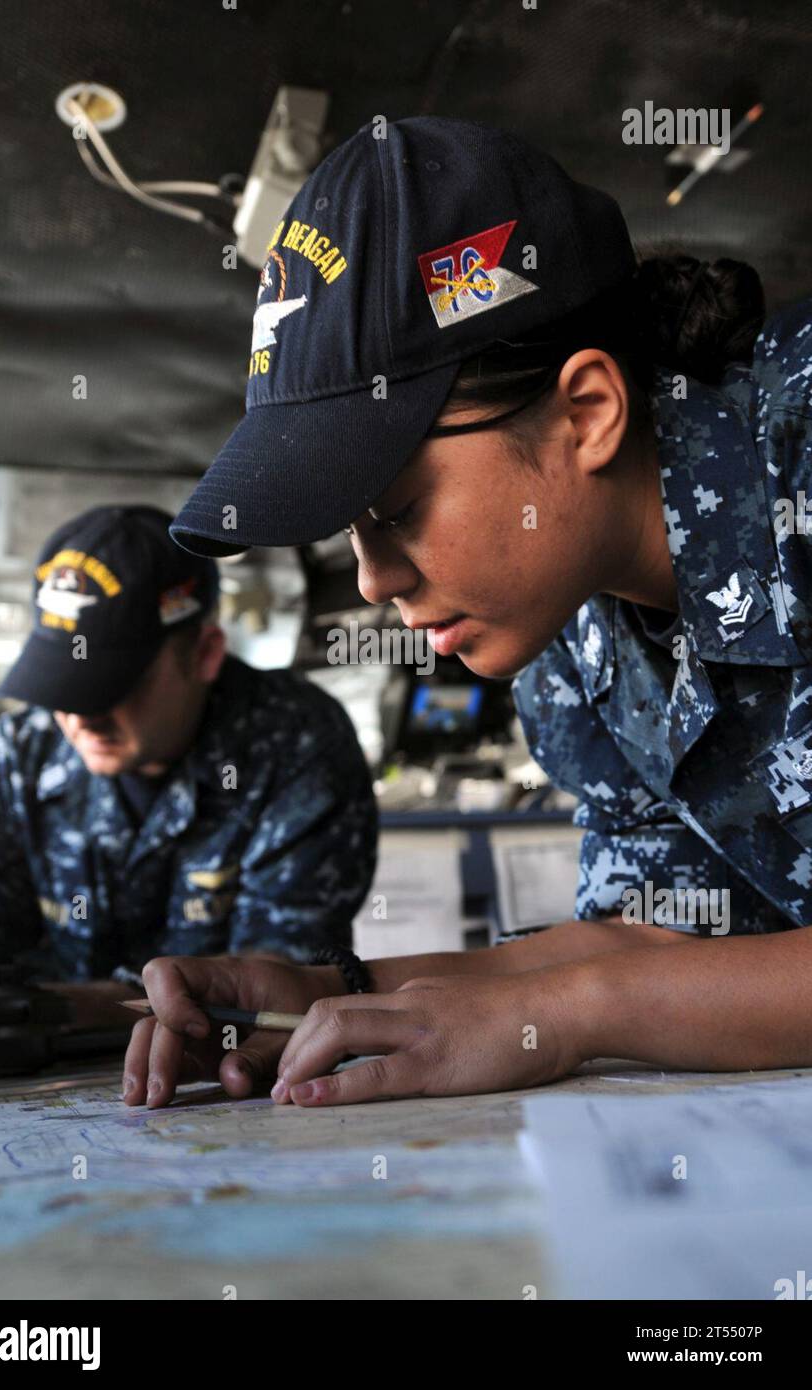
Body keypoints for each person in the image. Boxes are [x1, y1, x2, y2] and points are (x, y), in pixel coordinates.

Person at [122, 115, 812, 1110]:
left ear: (584, 412)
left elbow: (614, 987)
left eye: (395, 508)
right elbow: (669, 938)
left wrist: (570, 1016)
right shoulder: (567, 636)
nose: (368, 581)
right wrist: (336, 991)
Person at [0, 505, 377, 1025]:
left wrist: (51, 1011)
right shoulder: (22, 754)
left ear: (204, 655)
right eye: (61, 685)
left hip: (233, 1078)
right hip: (40, 1083)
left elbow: (274, 988)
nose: (82, 719)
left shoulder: (297, 744)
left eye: (110, 686)